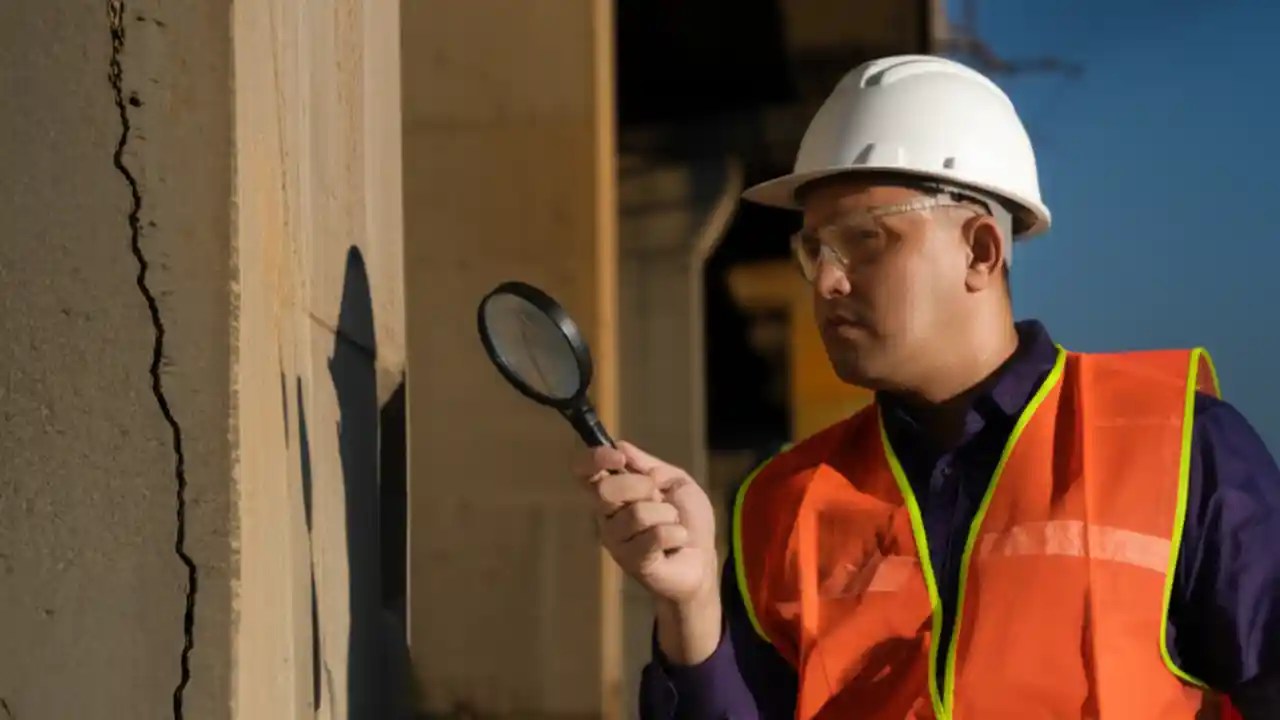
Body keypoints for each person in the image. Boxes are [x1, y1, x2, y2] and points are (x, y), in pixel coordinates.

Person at [571, 55, 1280, 718]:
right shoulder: (782, 503)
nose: (825, 280)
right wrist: (692, 607)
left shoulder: (1182, 449)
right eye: (814, 248)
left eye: (864, 241)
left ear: (979, 250)